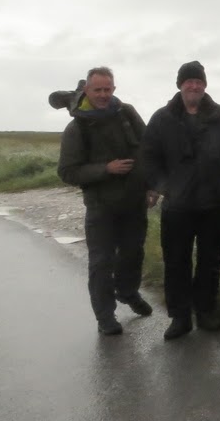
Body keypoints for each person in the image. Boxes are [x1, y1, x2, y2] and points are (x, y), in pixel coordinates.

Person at [142, 61, 220, 340]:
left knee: (211, 261)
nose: (193, 86)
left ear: (204, 85)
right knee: (176, 262)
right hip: (177, 206)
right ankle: (180, 317)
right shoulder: (162, 118)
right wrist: (162, 186)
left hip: (214, 204)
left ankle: (206, 310)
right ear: (180, 85)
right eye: (188, 81)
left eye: (198, 81)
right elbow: (149, 155)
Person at [57, 67, 155, 336]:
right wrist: (106, 169)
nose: (103, 94)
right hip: (101, 207)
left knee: (133, 254)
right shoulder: (77, 127)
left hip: (134, 202)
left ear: (114, 89)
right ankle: (105, 316)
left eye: (107, 89)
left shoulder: (127, 113)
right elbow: (67, 171)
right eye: (97, 89)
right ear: (87, 90)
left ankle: (127, 292)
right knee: (101, 263)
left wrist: (151, 186)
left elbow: (147, 149)